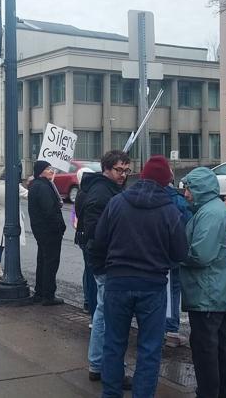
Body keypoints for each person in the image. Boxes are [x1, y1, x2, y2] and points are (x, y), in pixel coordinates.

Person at [93, 155, 188, 398]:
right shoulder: (169, 210)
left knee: (114, 344)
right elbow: (179, 252)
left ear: (142, 176)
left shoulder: (117, 202)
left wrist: (104, 269)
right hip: (152, 285)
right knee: (149, 349)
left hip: (117, 280)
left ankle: (111, 394)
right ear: (166, 181)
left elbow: (99, 241)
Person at [180, 167, 226, 398]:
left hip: (207, 292)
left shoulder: (209, 214)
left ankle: (208, 393)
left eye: (189, 189)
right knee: (220, 347)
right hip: (217, 291)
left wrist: (177, 253)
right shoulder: (213, 209)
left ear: (200, 189)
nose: (186, 194)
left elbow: (200, 255)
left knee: (205, 351)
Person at [80, 150, 131, 385]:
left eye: (126, 170)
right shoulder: (102, 193)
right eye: (119, 170)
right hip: (107, 261)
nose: (123, 174)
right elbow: (95, 231)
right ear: (107, 169)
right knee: (109, 316)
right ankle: (104, 366)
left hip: (103, 260)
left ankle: (97, 363)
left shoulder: (105, 189)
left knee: (103, 312)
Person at [27, 160, 66, 305]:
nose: (52, 171)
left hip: (41, 230)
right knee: (50, 263)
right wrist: (60, 227)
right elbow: (49, 211)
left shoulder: (37, 185)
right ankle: (48, 295)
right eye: (48, 168)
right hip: (49, 231)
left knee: (42, 261)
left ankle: (40, 292)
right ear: (41, 171)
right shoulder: (42, 187)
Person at [163, 181, 194, 345]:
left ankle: (159, 328)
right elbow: (190, 226)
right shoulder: (180, 201)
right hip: (175, 254)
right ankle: (171, 330)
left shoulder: (149, 198)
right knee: (174, 290)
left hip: (155, 255)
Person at [0, 167, 28, 278]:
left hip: (2, 218)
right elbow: (28, 195)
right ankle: (13, 269)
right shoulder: (15, 186)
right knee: (14, 244)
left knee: (0, 245)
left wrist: (1, 213)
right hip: (15, 219)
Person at [72, 167, 95, 315]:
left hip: (81, 235)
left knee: (88, 269)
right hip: (87, 236)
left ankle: (88, 300)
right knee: (91, 271)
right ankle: (89, 300)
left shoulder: (81, 193)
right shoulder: (87, 194)